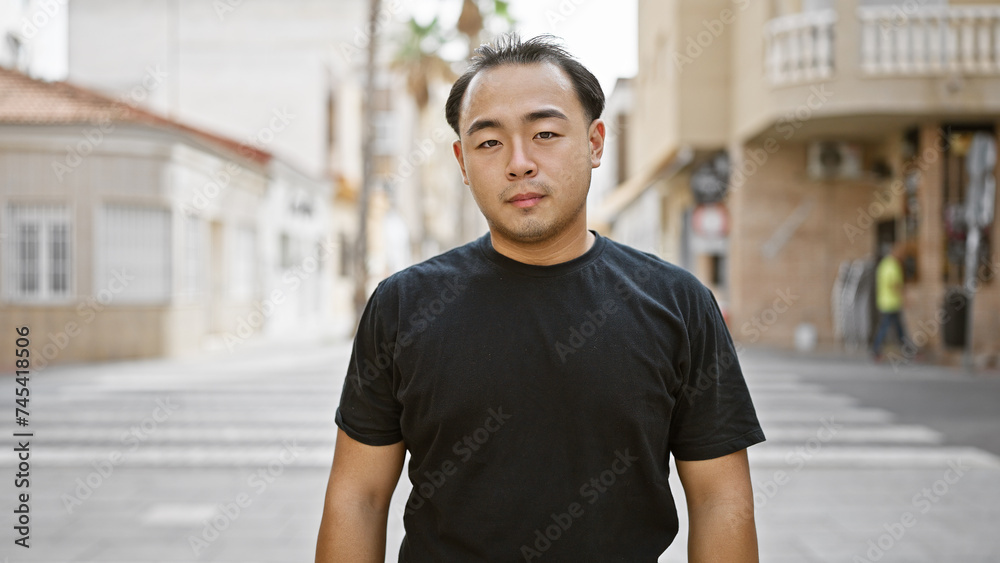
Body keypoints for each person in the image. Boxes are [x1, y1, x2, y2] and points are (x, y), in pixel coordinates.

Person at [316, 34, 764, 562]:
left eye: (546, 133)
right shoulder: (403, 305)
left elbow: (720, 500)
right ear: (462, 161)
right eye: (489, 143)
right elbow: (358, 498)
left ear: (596, 143)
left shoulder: (678, 304)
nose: (519, 163)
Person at [872, 242, 909, 360]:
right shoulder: (893, 265)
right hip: (891, 302)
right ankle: (875, 349)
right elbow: (894, 284)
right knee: (885, 327)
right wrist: (904, 297)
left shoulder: (884, 264)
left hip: (884, 301)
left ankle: (907, 348)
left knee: (898, 328)